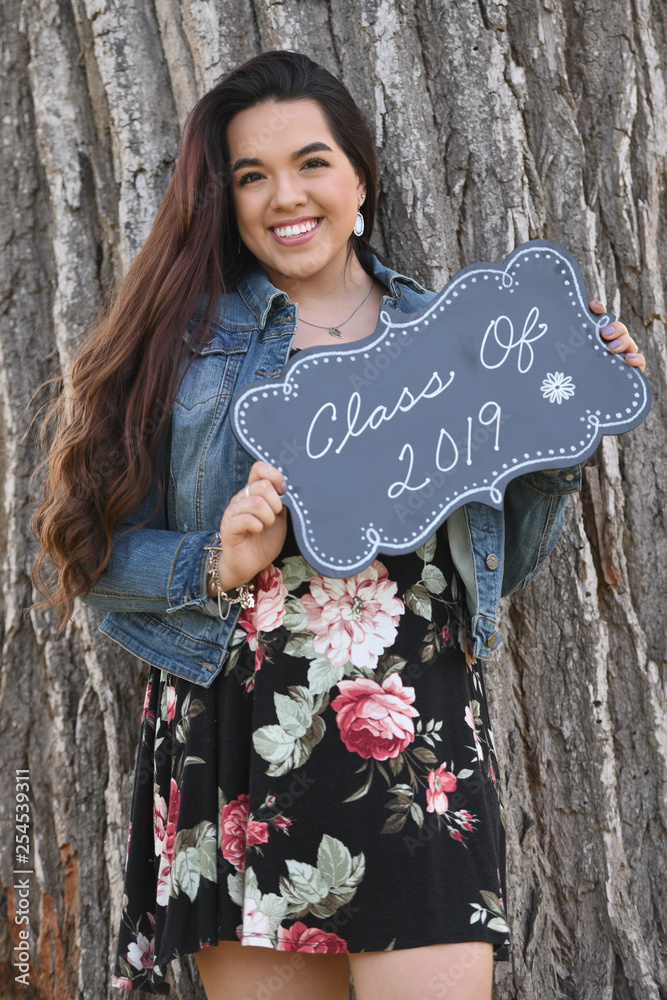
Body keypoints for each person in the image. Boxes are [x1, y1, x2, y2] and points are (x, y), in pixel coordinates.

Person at [29, 50, 645, 1000]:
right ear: (227, 199)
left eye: (312, 162)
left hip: (416, 750)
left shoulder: (457, 342)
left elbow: (493, 568)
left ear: (360, 172)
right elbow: (90, 557)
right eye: (251, 175)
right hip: (237, 745)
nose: (286, 195)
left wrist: (562, 427)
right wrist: (215, 560)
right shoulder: (186, 355)